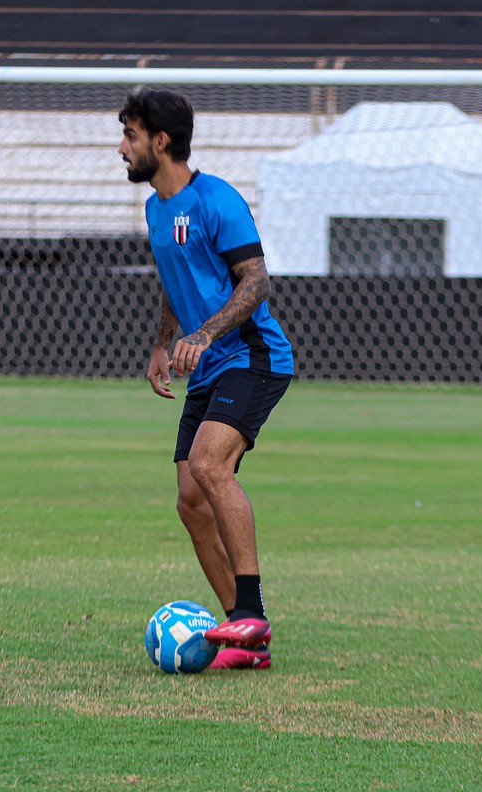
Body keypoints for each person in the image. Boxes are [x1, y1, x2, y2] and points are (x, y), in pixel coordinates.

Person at [118, 87, 294, 671]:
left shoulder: (216, 199)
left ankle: (252, 610)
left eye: (131, 135)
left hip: (253, 356)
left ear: (160, 142)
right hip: (204, 368)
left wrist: (204, 335)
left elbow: (256, 282)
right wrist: (163, 342)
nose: (122, 148)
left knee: (209, 465)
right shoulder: (155, 210)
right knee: (190, 504)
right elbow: (175, 279)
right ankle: (246, 643)